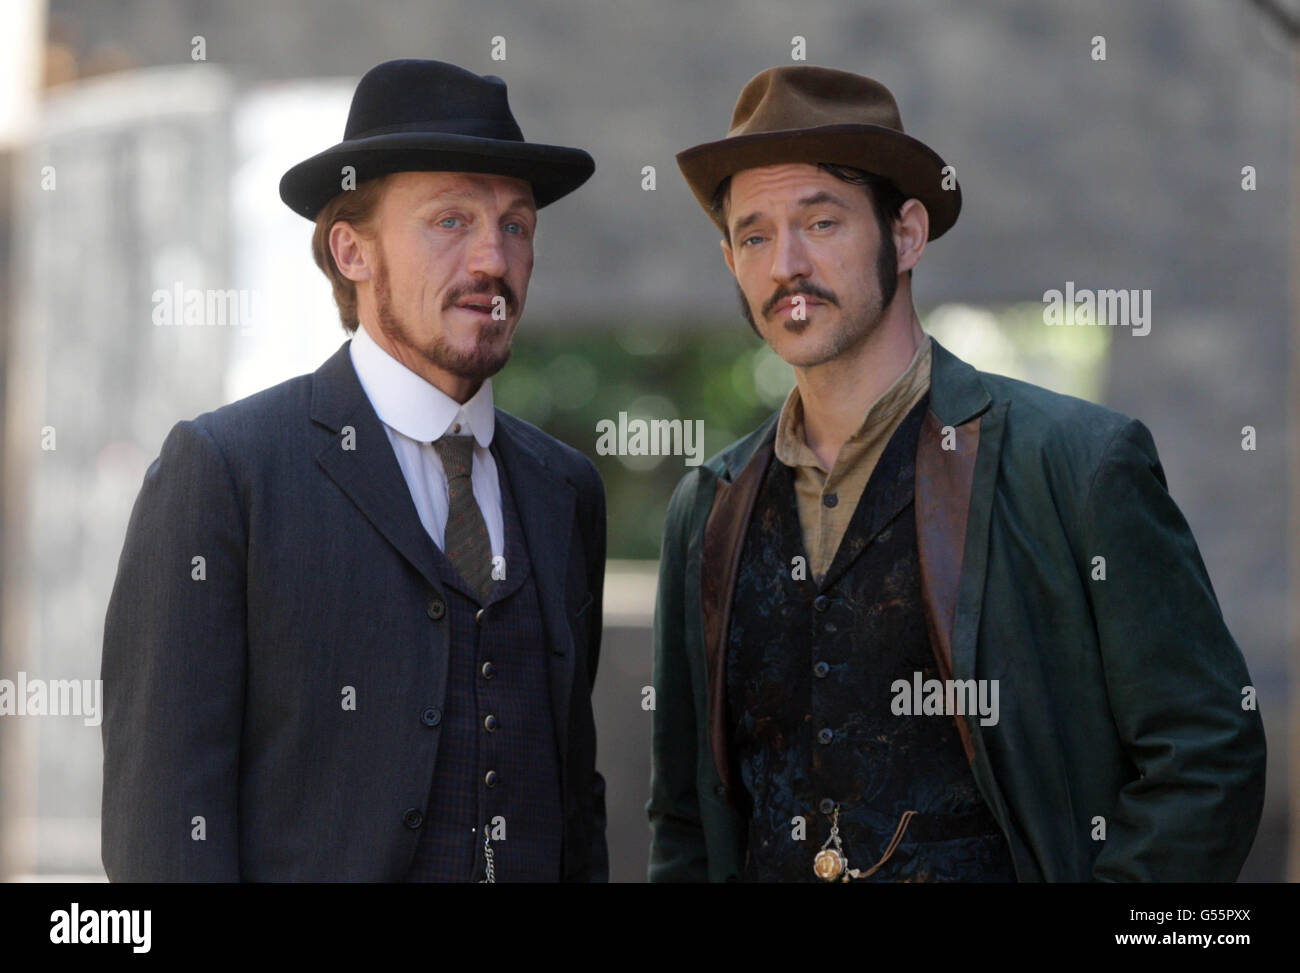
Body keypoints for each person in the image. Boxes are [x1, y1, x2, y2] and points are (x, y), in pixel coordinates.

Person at [647, 65, 1266, 882]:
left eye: (821, 221)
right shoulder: (708, 509)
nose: (785, 264)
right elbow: (687, 819)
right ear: (730, 259)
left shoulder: (1077, 464)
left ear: (906, 234)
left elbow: (1208, 755)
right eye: (755, 236)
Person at [101, 59, 608, 882]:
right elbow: (163, 829)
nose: (493, 259)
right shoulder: (228, 473)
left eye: (516, 226)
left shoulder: (564, 490)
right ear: (351, 250)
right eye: (450, 220)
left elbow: (575, 810)